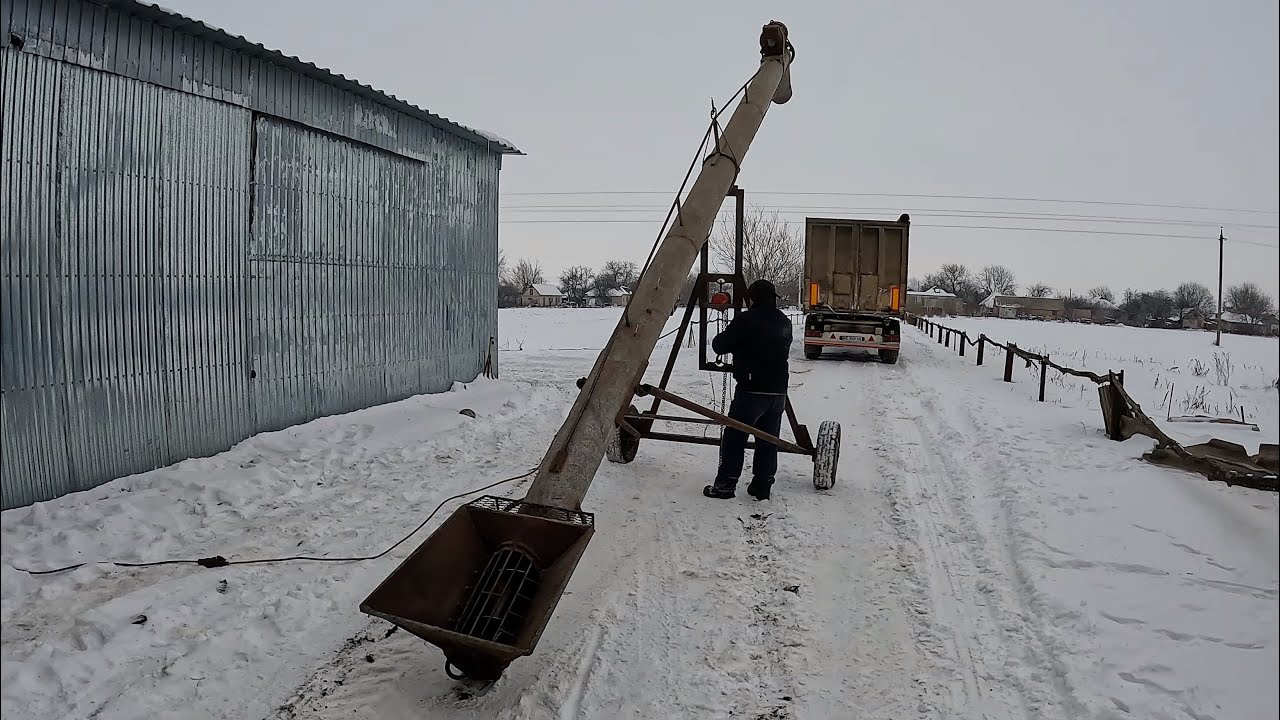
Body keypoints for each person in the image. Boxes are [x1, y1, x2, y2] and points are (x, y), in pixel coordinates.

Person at [703, 278, 793, 501]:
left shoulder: (746, 320)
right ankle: (762, 486)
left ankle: (725, 486)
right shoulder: (784, 321)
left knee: (735, 436)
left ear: (753, 298)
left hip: (752, 390)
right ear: (773, 297)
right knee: (768, 439)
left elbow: (720, 345)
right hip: (779, 391)